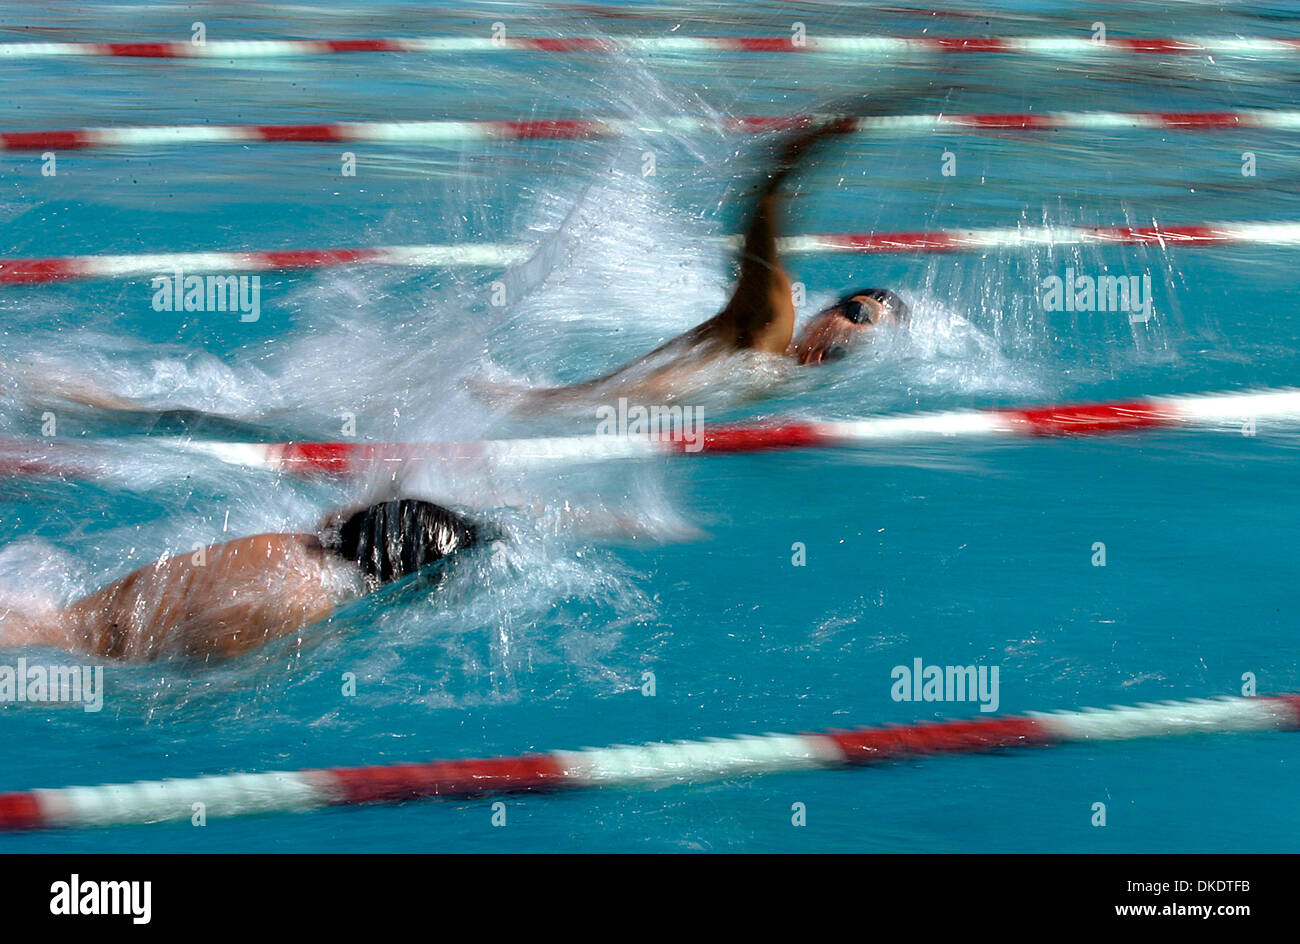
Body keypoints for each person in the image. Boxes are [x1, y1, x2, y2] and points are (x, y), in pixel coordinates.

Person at [495, 118, 911, 410]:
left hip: (551, 418)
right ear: (824, 313)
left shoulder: (787, 380)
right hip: (532, 415)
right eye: (859, 315)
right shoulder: (769, 324)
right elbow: (761, 204)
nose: (857, 340)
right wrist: (802, 151)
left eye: (867, 345)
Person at [0, 499, 482, 661]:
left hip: (42, 620)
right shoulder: (302, 604)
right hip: (44, 653)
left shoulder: (292, 544)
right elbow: (192, 686)